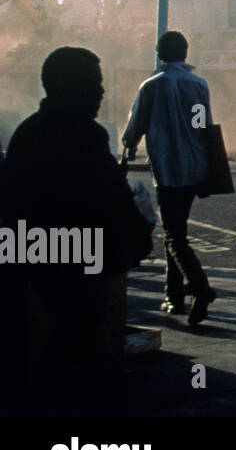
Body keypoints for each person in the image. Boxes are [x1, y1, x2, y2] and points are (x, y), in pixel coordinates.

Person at [0, 47, 153, 402]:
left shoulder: (28, 132)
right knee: (80, 337)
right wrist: (137, 236)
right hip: (78, 254)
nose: (101, 91)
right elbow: (111, 195)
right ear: (72, 86)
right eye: (93, 83)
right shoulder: (85, 135)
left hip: (37, 252)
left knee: (58, 336)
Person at [121, 31, 218, 325]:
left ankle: (200, 288)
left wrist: (129, 148)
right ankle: (173, 297)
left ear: (159, 53)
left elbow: (135, 125)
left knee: (174, 235)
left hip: (166, 168)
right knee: (177, 231)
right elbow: (204, 124)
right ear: (185, 53)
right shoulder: (199, 84)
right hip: (193, 167)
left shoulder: (151, 85)